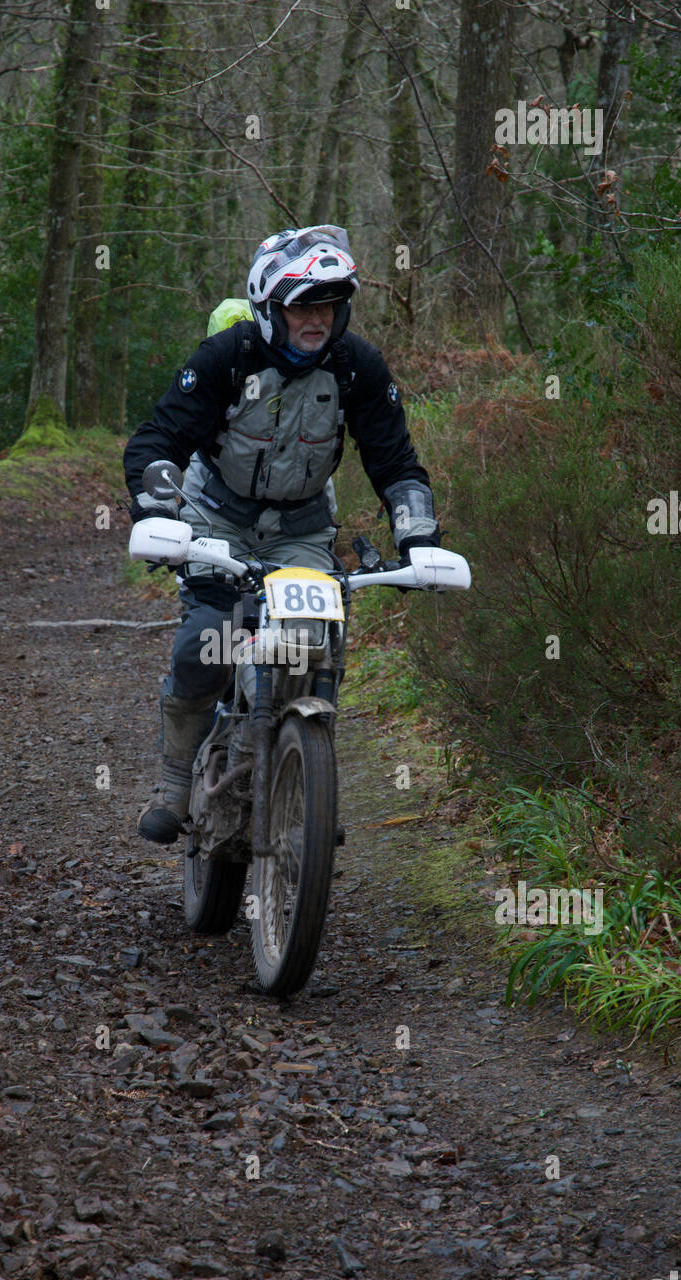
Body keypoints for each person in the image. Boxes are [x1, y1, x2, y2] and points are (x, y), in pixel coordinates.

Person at [124, 224, 441, 844]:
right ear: (271, 309)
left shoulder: (358, 368)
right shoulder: (227, 357)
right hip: (216, 517)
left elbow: (395, 462)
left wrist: (419, 536)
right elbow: (157, 441)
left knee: (314, 638)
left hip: (300, 527)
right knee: (209, 639)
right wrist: (159, 513)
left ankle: (304, 775)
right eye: (302, 306)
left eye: (327, 305)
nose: (317, 319)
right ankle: (173, 780)